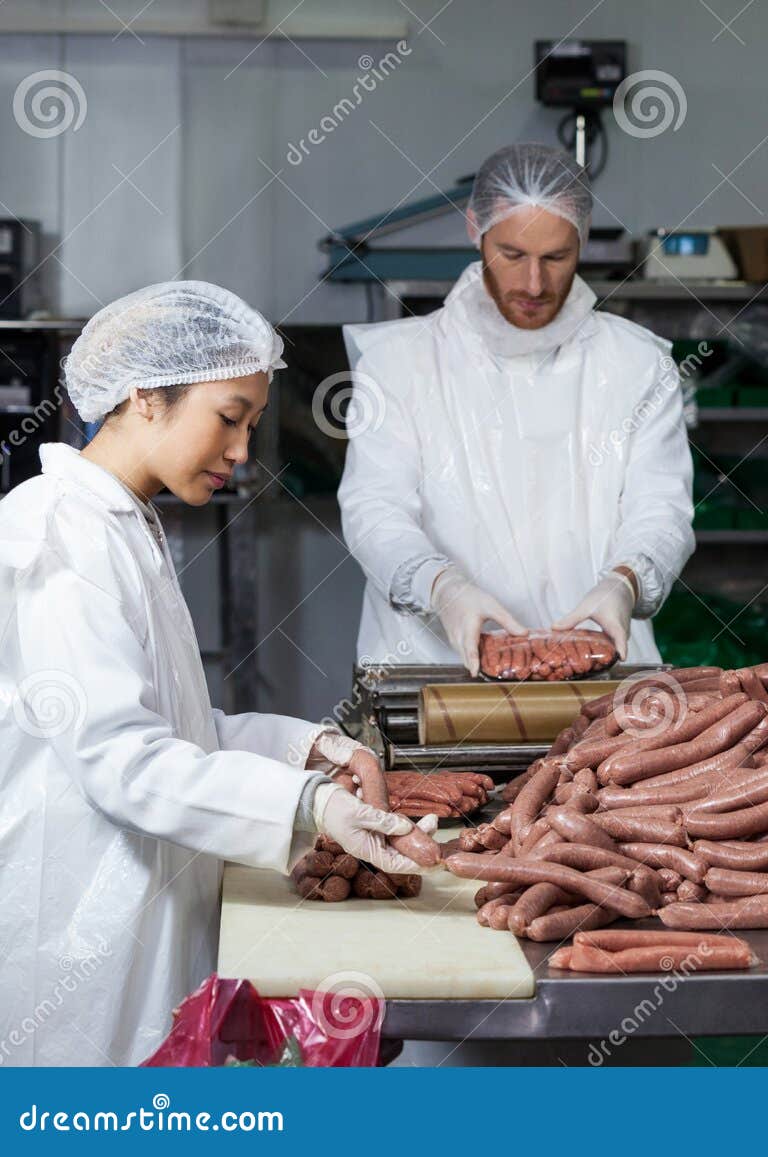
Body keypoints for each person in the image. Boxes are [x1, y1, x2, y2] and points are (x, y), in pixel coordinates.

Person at [0, 282, 424, 1066]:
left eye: (253, 425)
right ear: (145, 397)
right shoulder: (58, 532)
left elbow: (172, 727)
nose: (240, 450)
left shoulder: (125, 522)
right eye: (229, 417)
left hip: (141, 927)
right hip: (76, 953)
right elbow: (121, 761)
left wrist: (306, 750)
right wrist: (308, 804)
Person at [338, 143, 694, 675]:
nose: (534, 284)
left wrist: (629, 580)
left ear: (584, 238)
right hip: (430, 677)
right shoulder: (397, 365)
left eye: (556, 258)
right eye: (512, 255)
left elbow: (660, 508)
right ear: (474, 228)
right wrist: (441, 587)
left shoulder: (637, 365)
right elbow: (374, 510)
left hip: (602, 685)